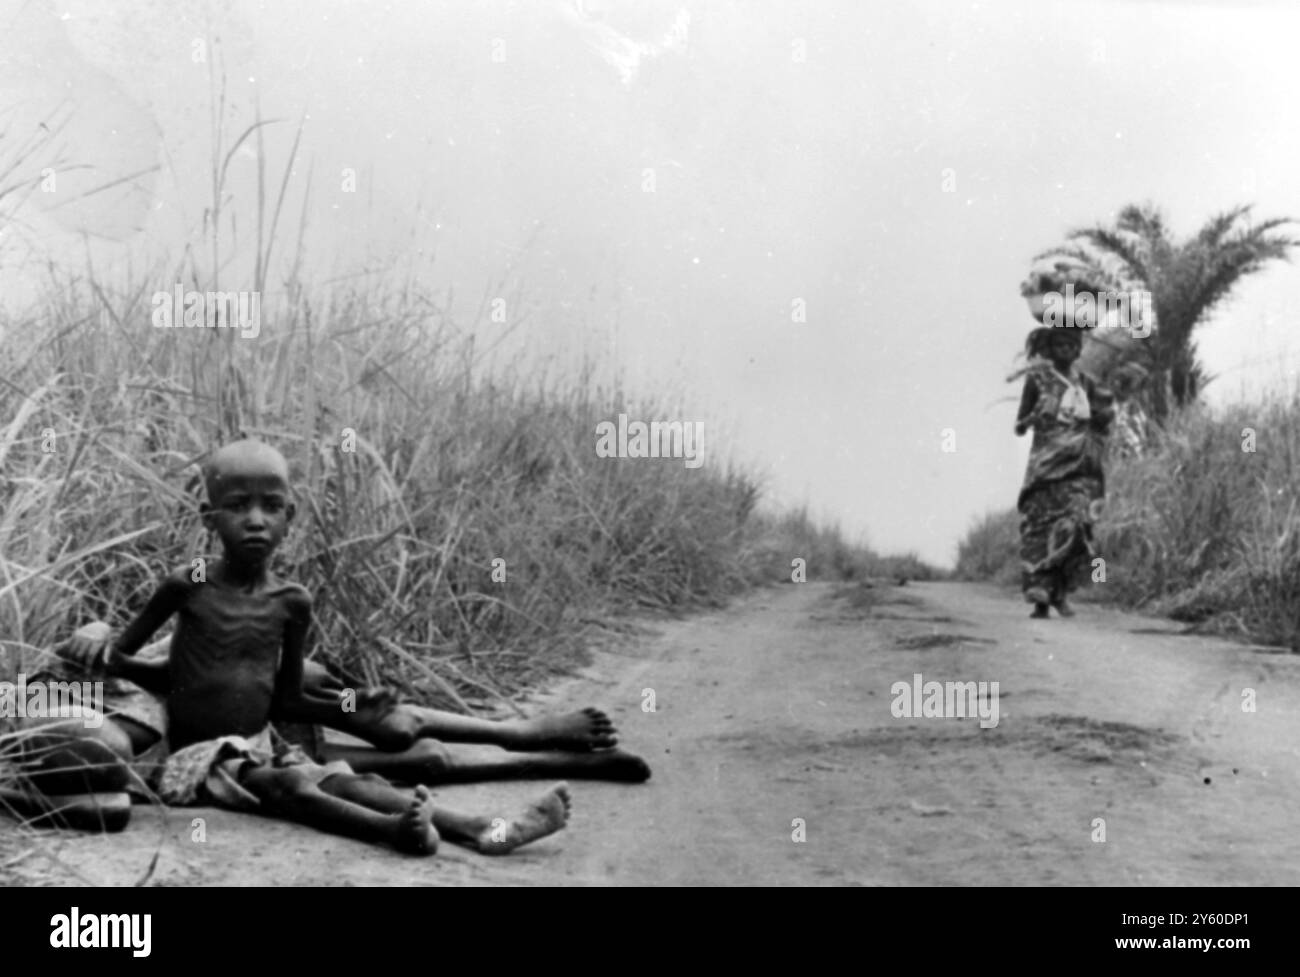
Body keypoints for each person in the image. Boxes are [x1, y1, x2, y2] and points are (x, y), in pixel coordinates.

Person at [12, 440, 572, 855]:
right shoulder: (188, 584)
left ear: (290, 517)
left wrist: (352, 708)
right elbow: (128, 666)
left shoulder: (291, 602)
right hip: (194, 754)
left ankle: (484, 828)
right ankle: (395, 834)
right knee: (291, 785)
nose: (255, 519)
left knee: (343, 779)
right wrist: (99, 635)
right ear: (211, 518)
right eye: (237, 506)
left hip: (255, 740)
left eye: (270, 506)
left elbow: (287, 700)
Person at [1013, 320, 1115, 618]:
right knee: (1043, 527)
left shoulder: (1087, 383)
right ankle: (1041, 598)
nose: (1066, 351)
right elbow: (1019, 425)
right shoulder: (1038, 381)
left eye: (1072, 345)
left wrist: (1102, 415)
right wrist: (1034, 418)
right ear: (1049, 348)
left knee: (1078, 526)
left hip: (1081, 467)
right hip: (1046, 469)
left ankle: (1061, 593)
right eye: (1060, 345)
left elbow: (1102, 420)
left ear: (1079, 349)